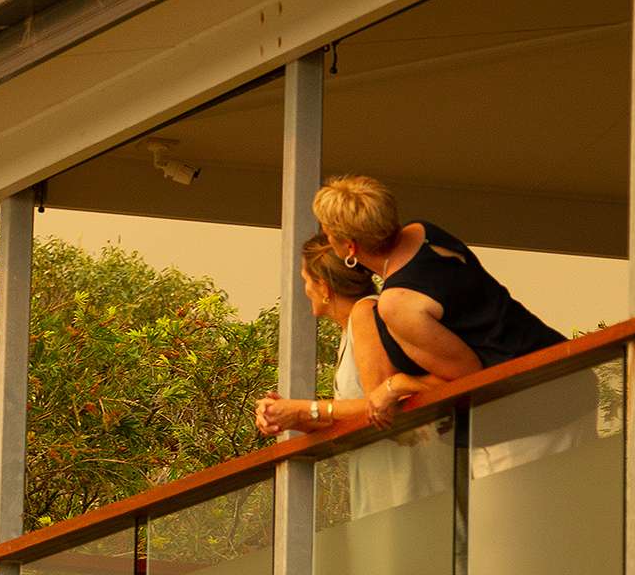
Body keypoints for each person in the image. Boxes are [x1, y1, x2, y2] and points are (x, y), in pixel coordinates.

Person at [312, 173, 595, 474]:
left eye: (328, 233)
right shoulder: (424, 232)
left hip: (523, 421)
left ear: (350, 248)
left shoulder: (398, 304)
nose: (327, 238)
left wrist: (396, 385)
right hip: (569, 383)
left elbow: (468, 377)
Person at [255, 234, 448, 516]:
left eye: (306, 280)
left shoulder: (365, 313)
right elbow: (359, 413)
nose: (305, 288)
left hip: (405, 480)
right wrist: (290, 415)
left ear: (323, 286)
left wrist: (304, 409)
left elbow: (381, 405)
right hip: (381, 477)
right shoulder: (351, 327)